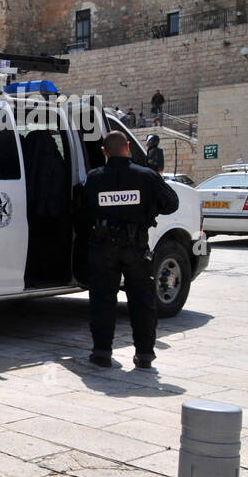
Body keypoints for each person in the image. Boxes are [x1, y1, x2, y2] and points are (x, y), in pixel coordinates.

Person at [75, 130, 179, 369]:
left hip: (103, 248)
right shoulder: (147, 176)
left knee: (102, 301)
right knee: (142, 302)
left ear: (104, 152)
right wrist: (147, 204)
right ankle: (144, 355)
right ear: (128, 147)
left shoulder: (95, 178)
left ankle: (102, 353)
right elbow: (171, 203)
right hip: (136, 247)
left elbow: (81, 211)